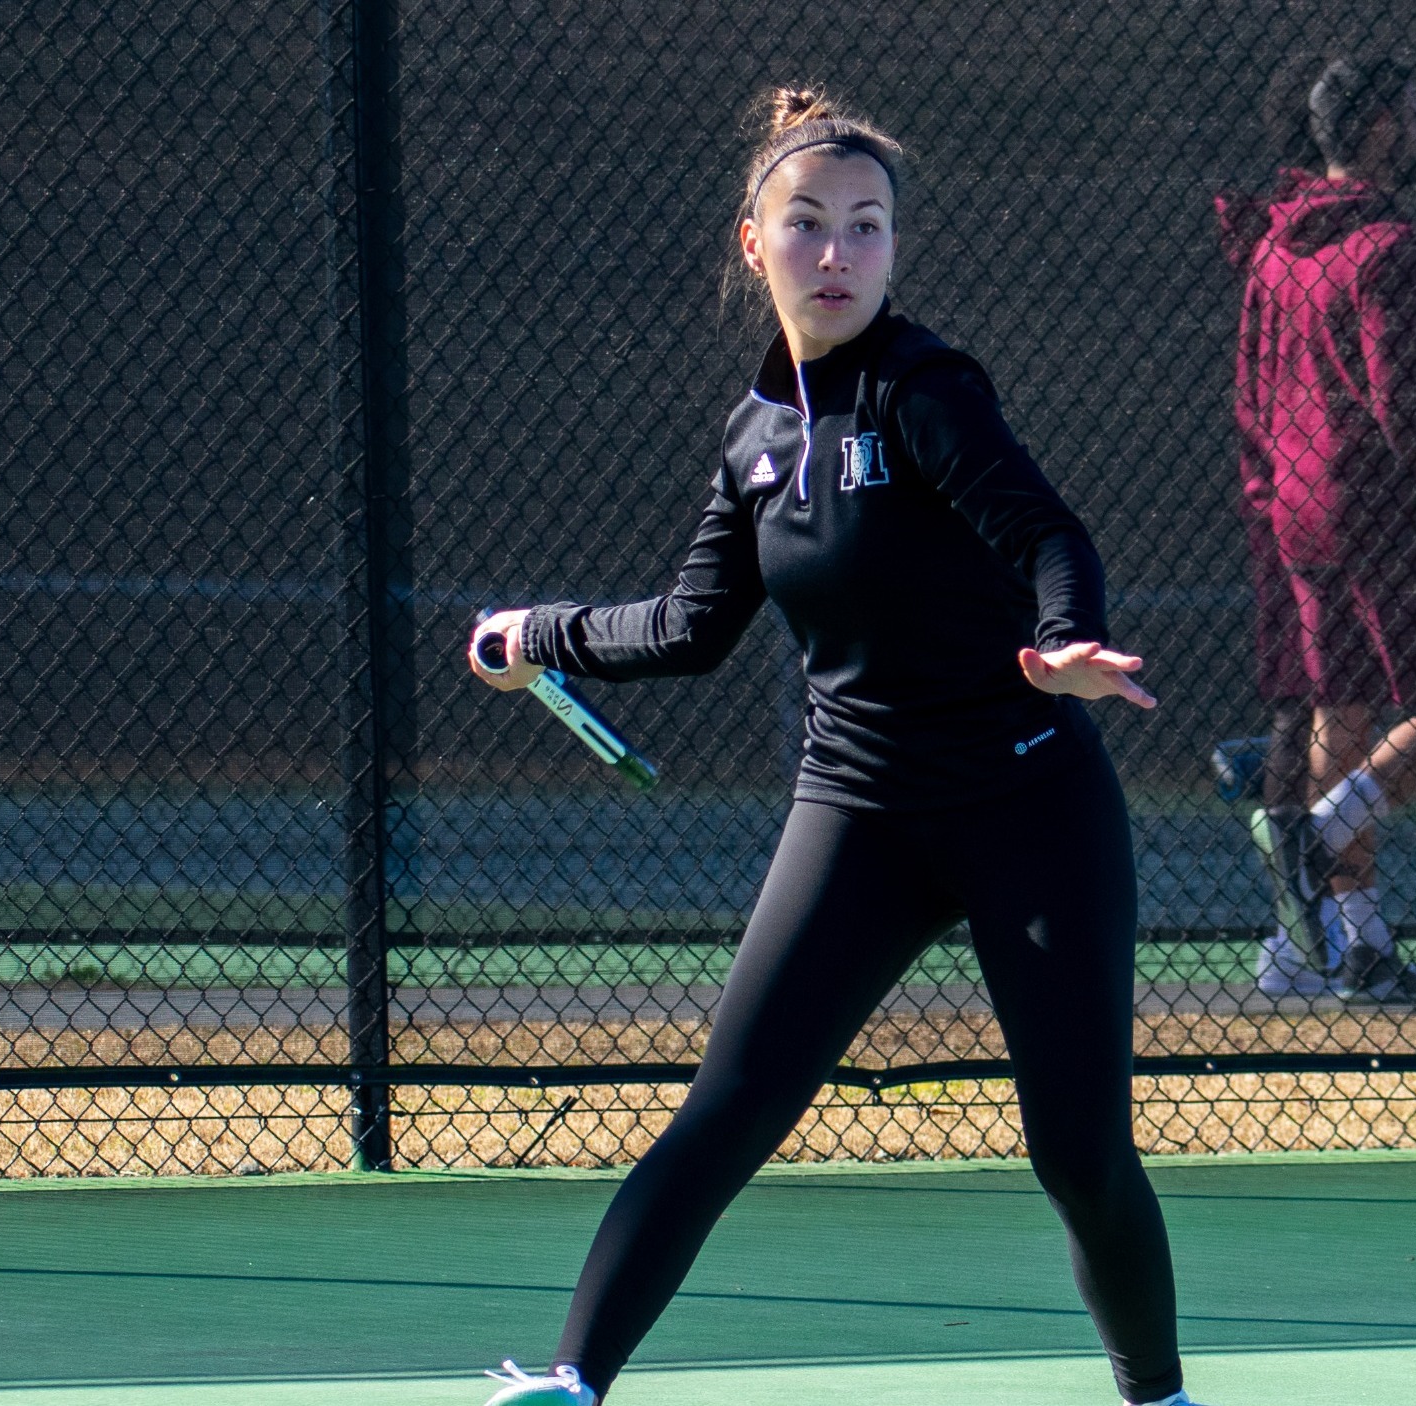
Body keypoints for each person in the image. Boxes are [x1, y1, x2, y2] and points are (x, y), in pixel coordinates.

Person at [470, 89, 1200, 1406]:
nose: (838, 254)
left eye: (866, 229)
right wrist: (544, 632)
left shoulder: (928, 394)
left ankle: (1158, 1393)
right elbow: (692, 625)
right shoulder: (755, 444)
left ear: (892, 252)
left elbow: (1046, 533)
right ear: (754, 245)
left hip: (1025, 803)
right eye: (807, 226)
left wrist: (1065, 641)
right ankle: (574, 1377)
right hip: (857, 812)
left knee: (1081, 1155)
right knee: (729, 1104)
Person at [1216, 57, 1416, 1003]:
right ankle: (1319, 838)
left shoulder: (1277, 244)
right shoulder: (1389, 246)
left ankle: (1334, 945)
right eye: (1415, 113)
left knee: (1339, 715)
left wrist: (1275, 489)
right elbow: (1405, 406)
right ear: (1382, 127)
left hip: (1298, 509)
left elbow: (1253, 395)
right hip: (1381, 507)